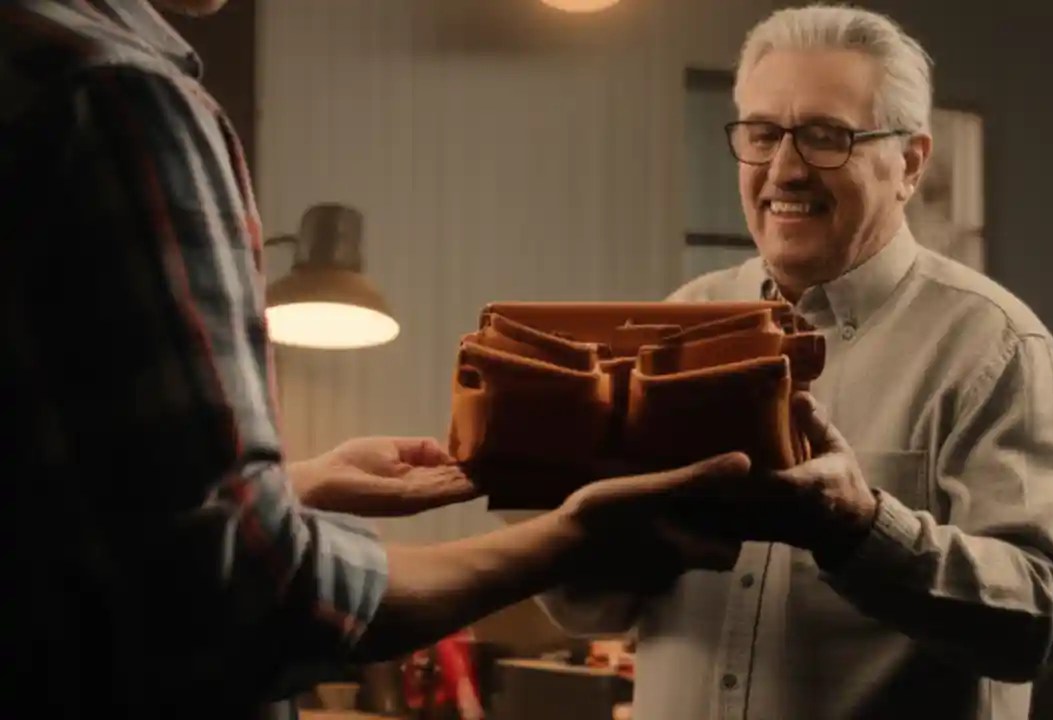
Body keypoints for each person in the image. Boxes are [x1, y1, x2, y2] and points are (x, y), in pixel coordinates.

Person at [0, 1, 749, 717]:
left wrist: (294, 489)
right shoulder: (116, 98)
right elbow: (246, 594)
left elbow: (72, 527)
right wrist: (573, 539)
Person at [538, 5, 1053, 719]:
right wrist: (559, 505)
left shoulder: (995, 347)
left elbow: (1041, 619)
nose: (785, 170)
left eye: (826, 137)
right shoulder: (684, 322)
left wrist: (860, 528)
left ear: (911, 164)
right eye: (763, 135)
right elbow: (595, 611)